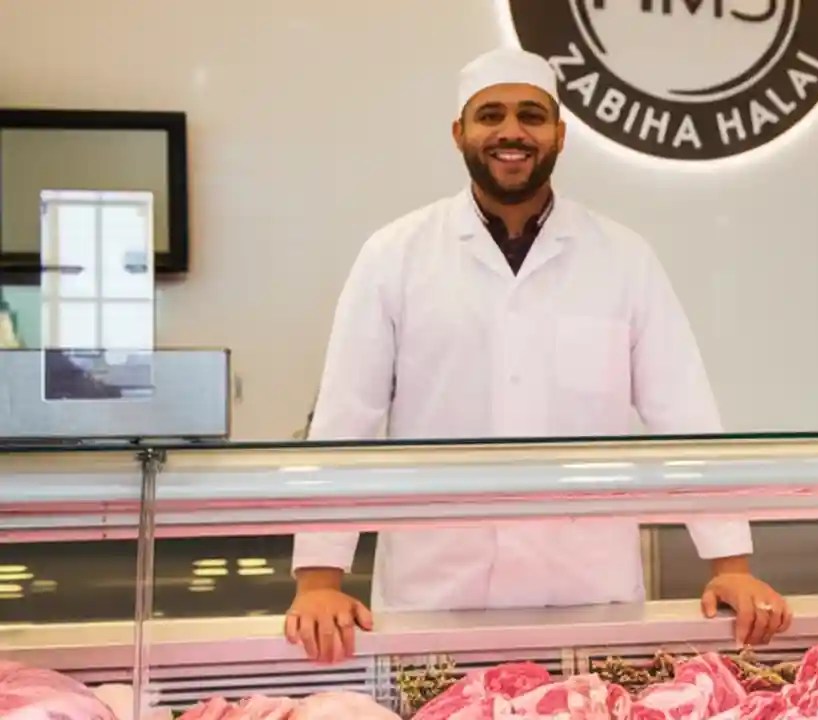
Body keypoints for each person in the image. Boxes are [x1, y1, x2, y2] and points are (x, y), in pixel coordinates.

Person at [284, 47, 791, 664]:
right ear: (459, 133)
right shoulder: (394, 255)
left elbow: (683, 415)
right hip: (435, 598)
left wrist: (730, 565)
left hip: (588, 597)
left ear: (559, 135)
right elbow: (346, 420)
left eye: (531, 115)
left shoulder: (624, 257)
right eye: (489, 114)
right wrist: (319, 581)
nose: (511, 132)